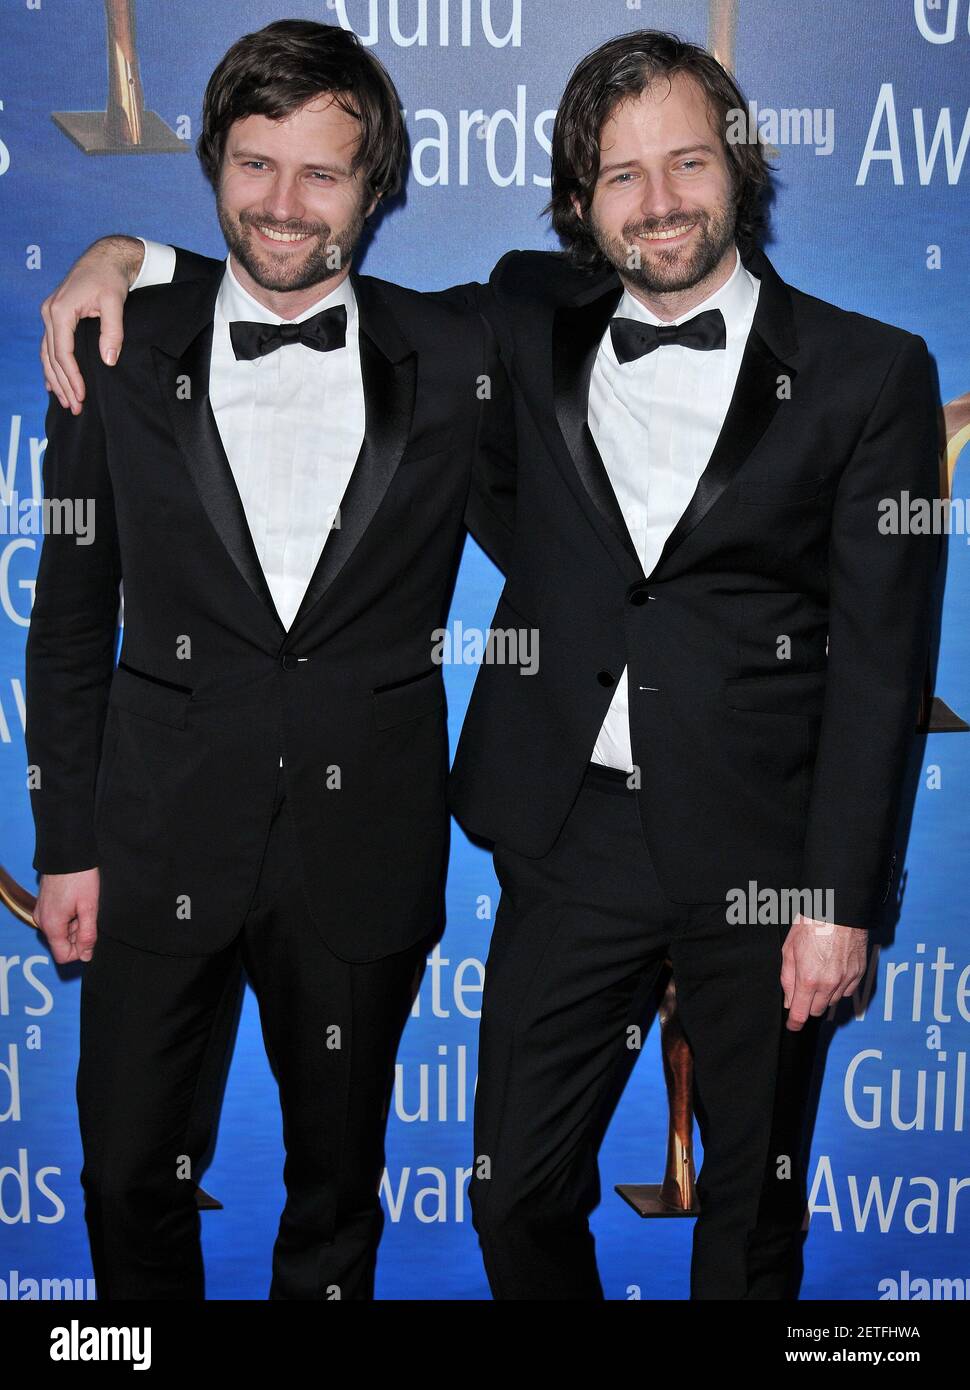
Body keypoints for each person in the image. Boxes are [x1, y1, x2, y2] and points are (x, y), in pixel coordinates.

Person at [40, 30, 940, 1301]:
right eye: (620, 174)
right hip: (566, 833)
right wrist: (122, 252)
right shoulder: (520, 316)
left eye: (686, 160)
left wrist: (838, 898)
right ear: (580, 203)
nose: (661, 199)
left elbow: (885, 665)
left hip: (766, 842)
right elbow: (281, 275)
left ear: (741, 164)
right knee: (510, 1190)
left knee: (748, 1210)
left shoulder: (869, 372)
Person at [27, 18, 512, 1301]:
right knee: (130, 1171)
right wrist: (63, 841)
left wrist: (124, 245)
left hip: (364, 847)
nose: (284, 206)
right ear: (213, 166)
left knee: (334, 1188)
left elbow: (631, 277)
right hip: (151, 838)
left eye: (322, 173)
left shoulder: (454, 351)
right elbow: (71, 620)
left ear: (376, 187)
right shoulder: (120, 347)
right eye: (255, 166)